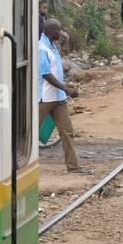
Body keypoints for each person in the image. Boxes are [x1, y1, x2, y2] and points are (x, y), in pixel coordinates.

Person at [38, 19, 92, 175]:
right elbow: (46, 74)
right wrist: (67, 89)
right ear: (50, 30)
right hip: (44, 98)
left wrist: (64, 90)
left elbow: (56, 71)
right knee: (29, 133)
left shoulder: (53, 46)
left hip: (58, 98)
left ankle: (73, 167)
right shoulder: (41, 48)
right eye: (58, 31)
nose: (61, 33)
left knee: (67, 131)